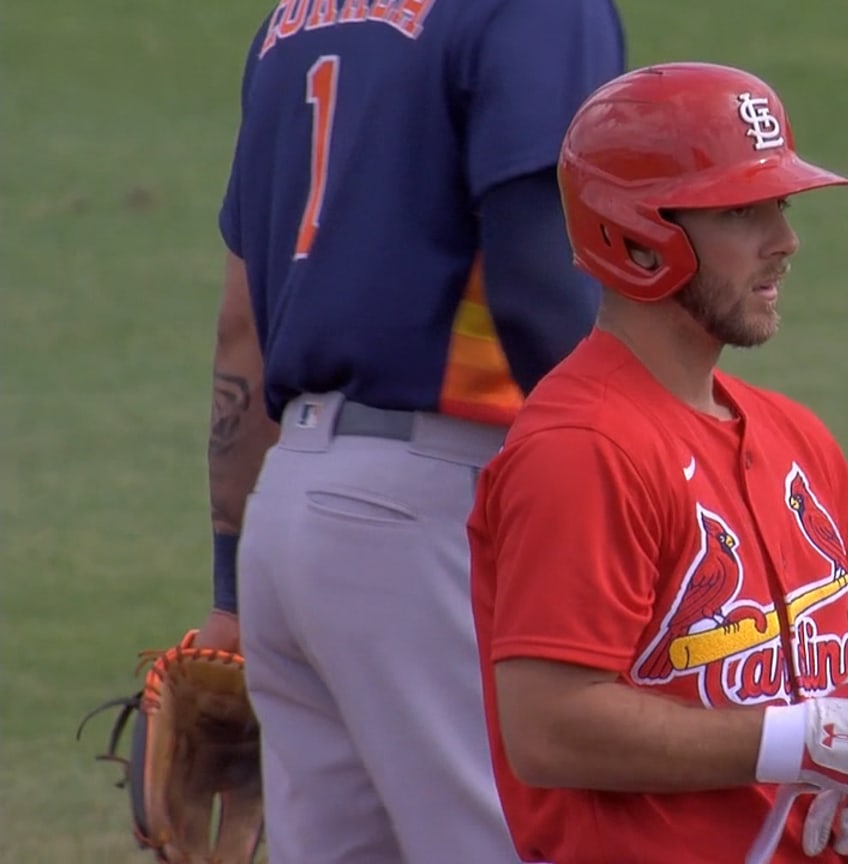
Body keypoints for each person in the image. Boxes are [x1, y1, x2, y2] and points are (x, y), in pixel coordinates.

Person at [467, 61, 848, 864]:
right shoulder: (581, 453)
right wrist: (807, 736)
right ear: (639, 236)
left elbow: (783, 706)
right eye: (743, 211)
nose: (785, 242)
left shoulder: (800, 441)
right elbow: (549, 730)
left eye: (779, 205)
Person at [198, 1, 626, 862]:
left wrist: (231, 595)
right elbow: (540, 283)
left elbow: (239, 329)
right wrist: (652, 463)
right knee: (522, 841)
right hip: (438, 509)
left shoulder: (294, 22)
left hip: (290, 518)